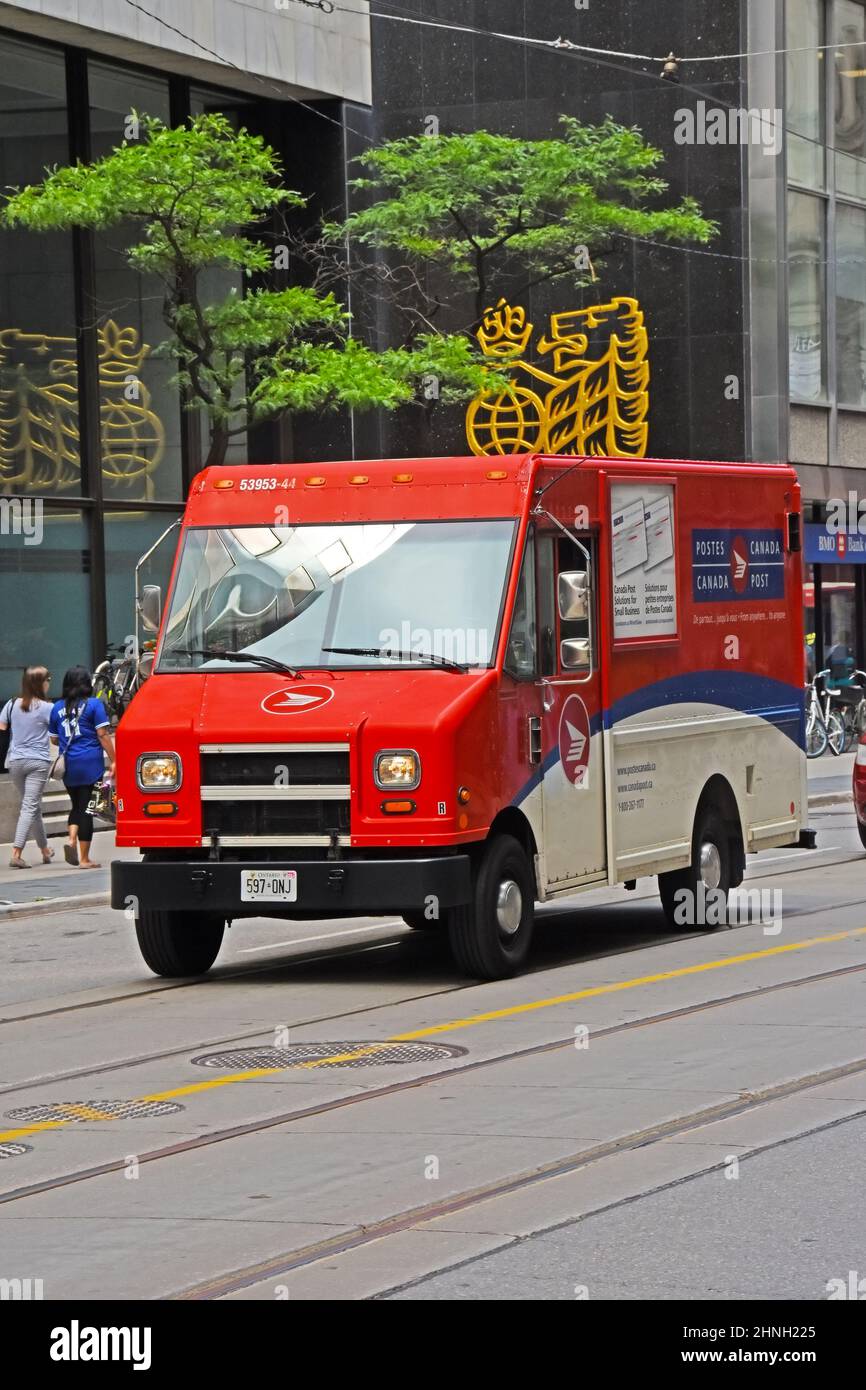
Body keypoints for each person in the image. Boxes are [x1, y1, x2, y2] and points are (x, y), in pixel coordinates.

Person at [49, 667, 115, 869]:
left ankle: (71, 839)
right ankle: (84, 859)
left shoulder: (57, 707)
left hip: (69, 764)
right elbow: (102, 735)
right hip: (90, 763)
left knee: (76, 805)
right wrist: (114, 759)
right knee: (88, 810)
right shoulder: (94, 705)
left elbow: (53, 738)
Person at [0, 666, 54, 868]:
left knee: (33, 806)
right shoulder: (48, 708)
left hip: (15, 762)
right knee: (29, 806)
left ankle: (45, 850)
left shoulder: (12, 703)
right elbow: (56, 735)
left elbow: (2, 727)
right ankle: (16, 852)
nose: (50, 682)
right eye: (48, 679)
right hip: (37, 762)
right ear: (40, 683)